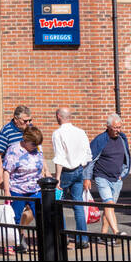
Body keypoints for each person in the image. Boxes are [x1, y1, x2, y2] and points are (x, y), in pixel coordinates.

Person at [1, 125, 49, 255]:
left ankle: (46, 243)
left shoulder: (37, 148)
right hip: (17, 188)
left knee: (42, 215)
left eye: (38, 144)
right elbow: (7, 171)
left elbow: (42, 161)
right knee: (14, 218)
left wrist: (48, 173)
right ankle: (11, 244)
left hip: (35, 188)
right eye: (33, 143)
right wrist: (7, 191)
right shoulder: (14, 150)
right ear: (25, 139)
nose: (36, 146)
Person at [51, 106, 92, 249]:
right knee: (78, 204)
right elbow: (88, 154)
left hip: (65, 172)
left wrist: (57, 178)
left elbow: (59, 157)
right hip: (79, 170)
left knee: (57, 203)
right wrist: (81, 166)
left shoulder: (58, 133)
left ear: (59, 116)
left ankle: (62, 237)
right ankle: (83, 239)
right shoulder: (81, 132)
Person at [88, 113, 131, 239]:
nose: (118, 130)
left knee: (109, 208)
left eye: (120, 127)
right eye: (115, 127)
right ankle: (116, 232)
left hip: (117, 178)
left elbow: (126, 157)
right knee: (109, 204)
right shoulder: (100, 140)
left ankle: (103, 234)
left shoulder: (123, 138)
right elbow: (90, 160)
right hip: (102, 177)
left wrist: (122, 174)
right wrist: (87, 178)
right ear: (108, 127)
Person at [0, 105, 32, 189]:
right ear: (16, 119)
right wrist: (0, 179)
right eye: (25, 121)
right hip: (14, 179)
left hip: (31, 178)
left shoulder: (31, 128)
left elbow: (38, 150)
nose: (28, 123)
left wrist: (45, 170)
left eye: (30, 120)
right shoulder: (6, 131)